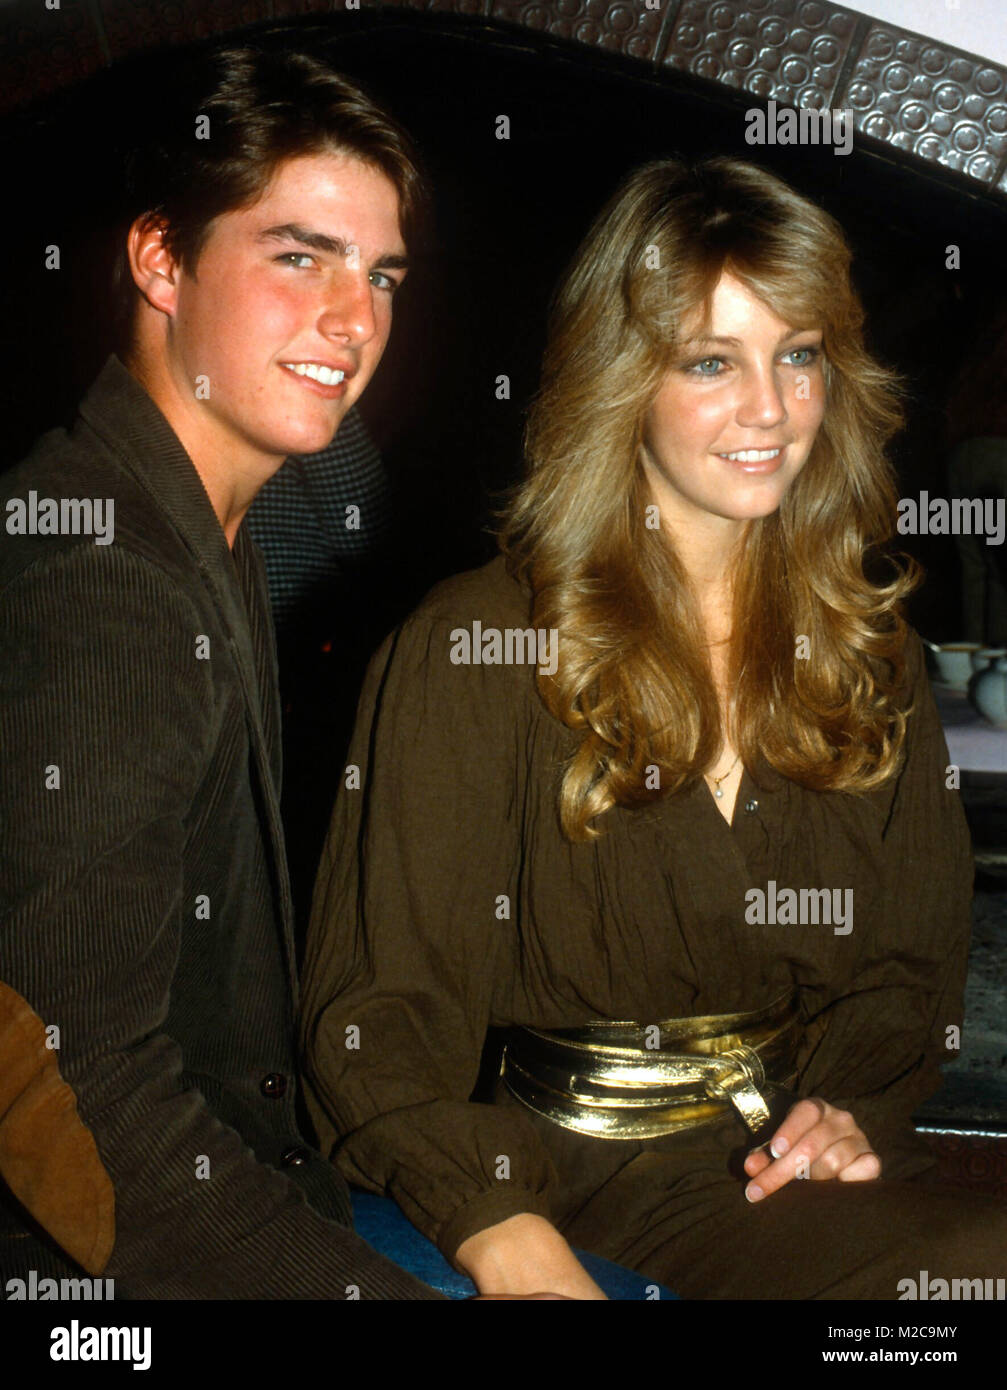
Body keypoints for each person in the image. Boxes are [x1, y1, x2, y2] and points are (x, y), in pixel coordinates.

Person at [300, 156, 1007, 1300]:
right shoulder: (476, 646)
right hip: (558, 1175)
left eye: (796, 355)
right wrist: (491, 1222)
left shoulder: (866, 646)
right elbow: (374, 1019)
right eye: (710, 362)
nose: (769, 409)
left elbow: (907, 970)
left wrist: (847, 1105)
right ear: (620, 380)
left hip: (786, 1174)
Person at [0, 43, 442, 1298]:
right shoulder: (102, 581)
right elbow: (73, 1091)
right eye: (298, 255)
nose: (355, 319)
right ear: (159, 261)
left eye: (381, 272)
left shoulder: (200, 525)